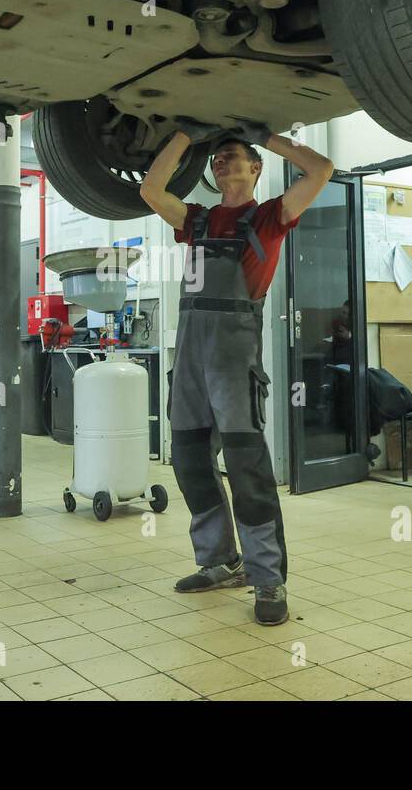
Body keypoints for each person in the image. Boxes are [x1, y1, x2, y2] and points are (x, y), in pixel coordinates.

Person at [141, 118, 334, 626]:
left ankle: (267, 578)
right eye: (219, 158)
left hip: (233, 361)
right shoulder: (198, 221)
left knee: (247, 471)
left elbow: (321, 169)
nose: (225, 162)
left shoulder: (270, 217)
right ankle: (219, 560)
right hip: (188, 361)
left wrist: (267, 135)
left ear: (256, 168)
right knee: (189, 463)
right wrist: (184, 135)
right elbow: (149, 189)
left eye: (236, 155)